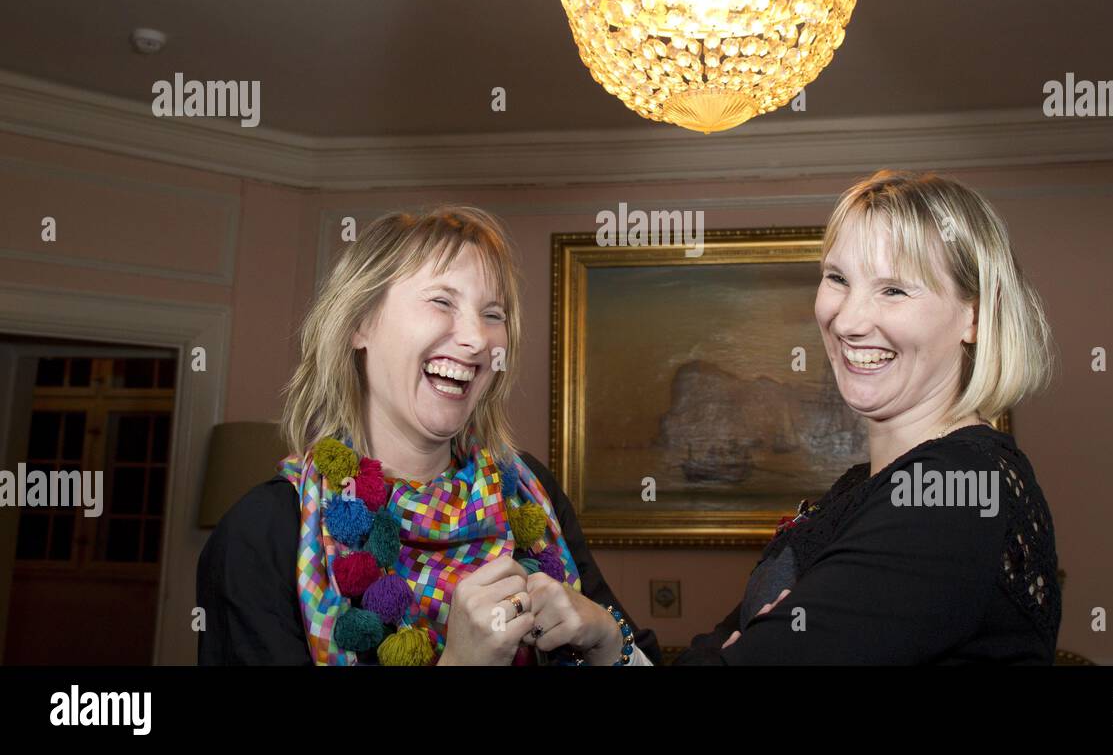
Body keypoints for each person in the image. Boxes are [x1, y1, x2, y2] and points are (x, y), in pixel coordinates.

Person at [197, 206, 659, 666]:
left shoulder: (531, 493)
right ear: (360, 322)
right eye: (442, 301)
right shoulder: (262, 532)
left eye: (492, 314)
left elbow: (625, 646)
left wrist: (607, 641)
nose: (477, 339)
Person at [676, 169, 1061, 664]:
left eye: (894, 290)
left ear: (975, 317)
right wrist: (610, 640)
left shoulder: (952, 489)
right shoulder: (868, 487)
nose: (849, 320)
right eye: (838, 278)